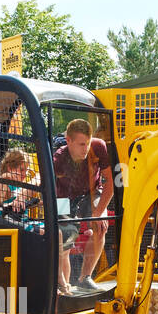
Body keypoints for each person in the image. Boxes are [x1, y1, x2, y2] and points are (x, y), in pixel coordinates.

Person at [53, 119, 114, 294]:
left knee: (101, 225)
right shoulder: (58, 157)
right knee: (65, 239)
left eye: (87, 143)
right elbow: (45, 184)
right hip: (64, 198)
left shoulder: (98, 147)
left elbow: (110, 180)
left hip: (91, 192)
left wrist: (99, 211)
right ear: (68, 141)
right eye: (81, 144)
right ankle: (63, 286)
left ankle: (85, 278)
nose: (85, 148)